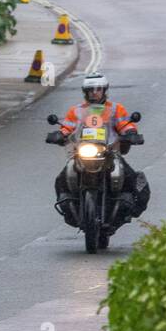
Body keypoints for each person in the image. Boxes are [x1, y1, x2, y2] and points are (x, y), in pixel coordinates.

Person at [48, 72, 147, 223]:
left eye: (98, 89)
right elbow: (67, 128)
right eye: (90, 90)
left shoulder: (116, 109)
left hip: (110, 152)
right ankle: (68, 209)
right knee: (62, 179)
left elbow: (125, 125)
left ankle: (130, 209)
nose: (94, 92)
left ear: (104, 90)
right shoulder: (76, 111)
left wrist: (131, 133)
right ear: (85, 92)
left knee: (134, 179)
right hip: (82, 151)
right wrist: (59, 134)